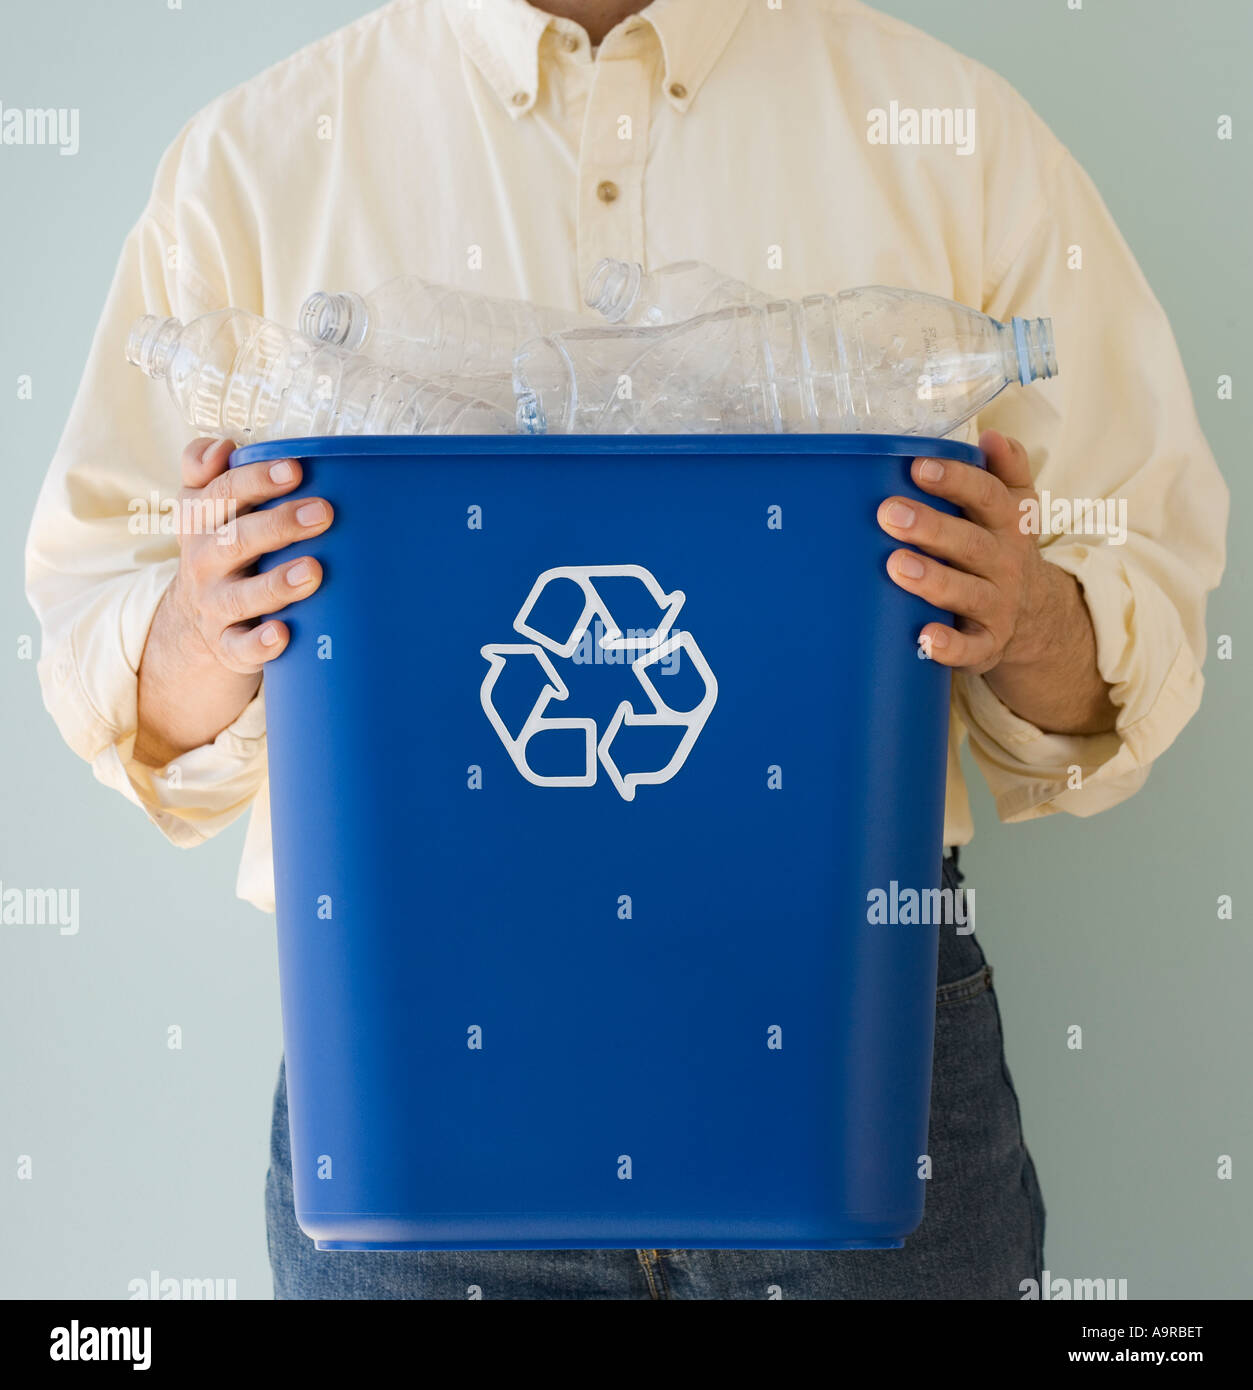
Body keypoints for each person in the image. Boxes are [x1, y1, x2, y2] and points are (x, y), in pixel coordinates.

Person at [26, 0, 1226, 1300]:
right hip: (416, 1045)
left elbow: (1137, 615)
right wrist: (207, 618)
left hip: (841, 1035)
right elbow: (105, 644)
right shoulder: (257, 159)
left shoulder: (949, 131)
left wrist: (1026, 609)